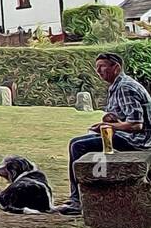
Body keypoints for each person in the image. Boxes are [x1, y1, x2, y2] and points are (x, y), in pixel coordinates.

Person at [55, 51, 150, 215]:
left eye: (102, 67)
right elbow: (126, 116)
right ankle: (80, 195)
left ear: (116, 67)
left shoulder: (125, 87)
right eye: (96, 68)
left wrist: (110, 127)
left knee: (78, 145)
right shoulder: (118, 85)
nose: (98, 71)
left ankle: (77, 200)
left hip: (139, 141)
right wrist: (111, 119)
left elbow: (136, 125)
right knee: (84, 139)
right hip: (134, 136)